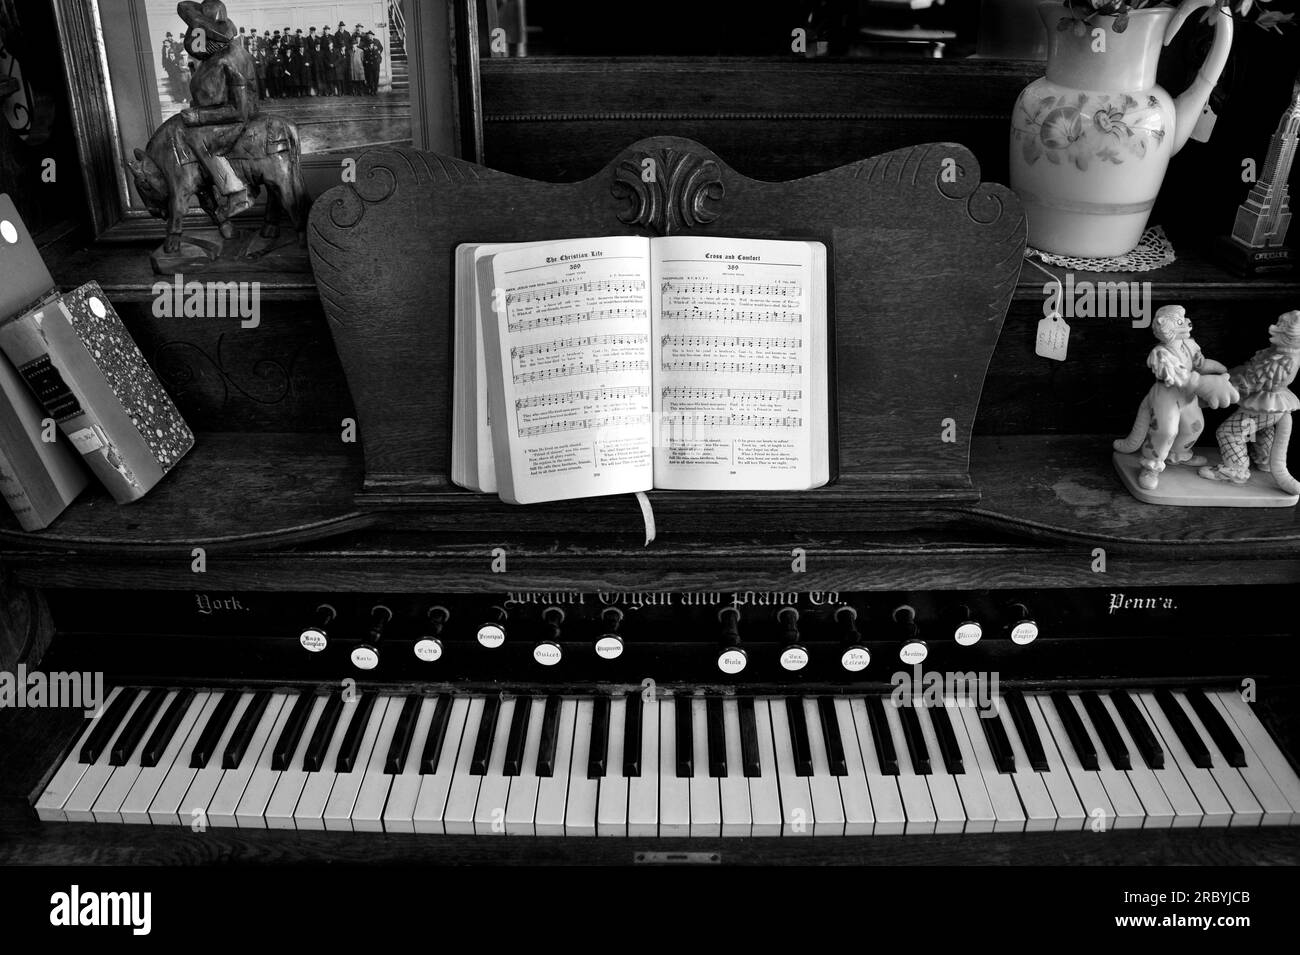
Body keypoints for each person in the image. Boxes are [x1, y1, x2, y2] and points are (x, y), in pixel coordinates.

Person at [174, 0, 257, 218]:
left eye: (200, 35)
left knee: (199, 142)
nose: (195, 43)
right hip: (216, 118)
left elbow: (241, 111)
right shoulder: (212, 59)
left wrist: (200, 115)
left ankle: (237, 194)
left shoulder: (231, 58)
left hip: (233, 121)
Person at [363, 31, 383, 96]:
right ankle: (371, 90)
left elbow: (380, 50)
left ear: (373, 35)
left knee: (376, 78)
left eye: (371, 35)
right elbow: (365, 54)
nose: (370, 36)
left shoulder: (377, 41)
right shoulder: (366, 43)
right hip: (369, 66)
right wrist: (366, 62)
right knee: (370, 79)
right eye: (368, 35)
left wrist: (378, 60)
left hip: (376, 66)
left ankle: (375, 90)